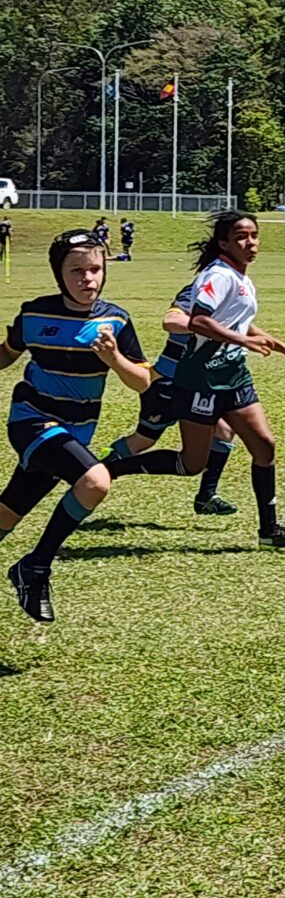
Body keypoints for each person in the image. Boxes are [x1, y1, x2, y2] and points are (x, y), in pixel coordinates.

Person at [104, 210, 285, 550]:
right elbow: (198, 322)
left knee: (265, 446)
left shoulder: (242, 278)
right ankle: (116, 468)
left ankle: (269, 531)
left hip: (234, 377)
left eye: (254, 235)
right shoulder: (217, 275)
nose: (251, 243)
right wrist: (244, 342)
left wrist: (282, 346)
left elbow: (240, 322)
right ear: (224, 243)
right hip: (200, 380)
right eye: (242, 237)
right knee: (191, 464)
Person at [0, 229, 153, 622]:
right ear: (59, 274)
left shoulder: (116, 320)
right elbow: (5, 355)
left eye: (95, 270)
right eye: (77, 271)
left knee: (6, 515)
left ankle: (31, 568)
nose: (88, 279)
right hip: (32, 420)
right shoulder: (34, 313)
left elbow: (142, 381)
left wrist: (115, 358)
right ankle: (35, 567)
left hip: (75, 432)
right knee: (96, 480)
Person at [101, 281, 241, 516]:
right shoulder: (196, 291)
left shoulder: (230, 295)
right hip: (167, 384)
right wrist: (208, 327)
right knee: (142, 441)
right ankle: (97, 468)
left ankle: (207, 496)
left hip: (197, 385)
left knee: (225, 432)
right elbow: (171, 322)